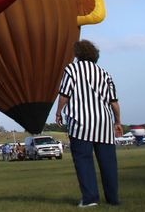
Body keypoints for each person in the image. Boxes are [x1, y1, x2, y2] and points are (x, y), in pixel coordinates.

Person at [55, 39, 121, 207]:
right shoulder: (104, 73)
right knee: (108, 163)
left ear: (77, 54)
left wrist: (58, 112)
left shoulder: (72, 70)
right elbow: (113, 102)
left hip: (80, 123)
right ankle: (113, 198)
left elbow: (64, 95)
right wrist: (117, 121)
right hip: (104, 124)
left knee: (83, 160)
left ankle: (90, 198)